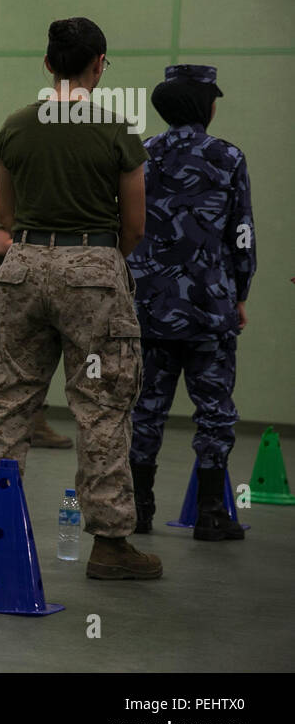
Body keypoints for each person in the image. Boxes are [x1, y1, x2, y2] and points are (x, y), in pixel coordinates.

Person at [0, 17, 161, 580]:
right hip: (92, 267)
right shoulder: (117, 130)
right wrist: (95, 259)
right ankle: (109, 545)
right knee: (100, 406)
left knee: (7, 404)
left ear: (48, 64)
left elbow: (6, 214)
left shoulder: (15, 127)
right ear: (99, 64)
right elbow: (135, 224)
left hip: (21, 266)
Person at [127, 65, 254, 541]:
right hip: (208, 305)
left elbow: (124, 227)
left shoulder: (138, 155)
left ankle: (138, 511)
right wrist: (240, 293)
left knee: (144, 408)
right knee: (215, 409)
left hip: (148, 307)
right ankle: (211, 514)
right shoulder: (227, 156)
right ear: (206, 106)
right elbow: (241, 233)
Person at [0, 197, 71, 448]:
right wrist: (46, 244)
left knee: (27, 359)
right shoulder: (4, 203)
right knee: (8, 360)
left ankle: (27, 423)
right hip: (5, 285)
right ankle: (11, 425)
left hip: (22, 286)